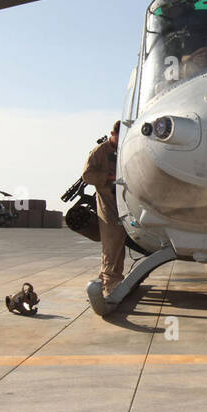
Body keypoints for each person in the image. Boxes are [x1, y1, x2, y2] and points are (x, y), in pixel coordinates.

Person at [83, 121, 126, 303]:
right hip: (107, 204)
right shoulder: (100, 151)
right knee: (111, 243)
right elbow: (87, 175)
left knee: (119, 244)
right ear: (112, 133)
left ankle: (107, 281)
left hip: (121, 204)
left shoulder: (124, 149)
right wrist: (109, 177)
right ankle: (110, 286)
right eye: (119, 136)